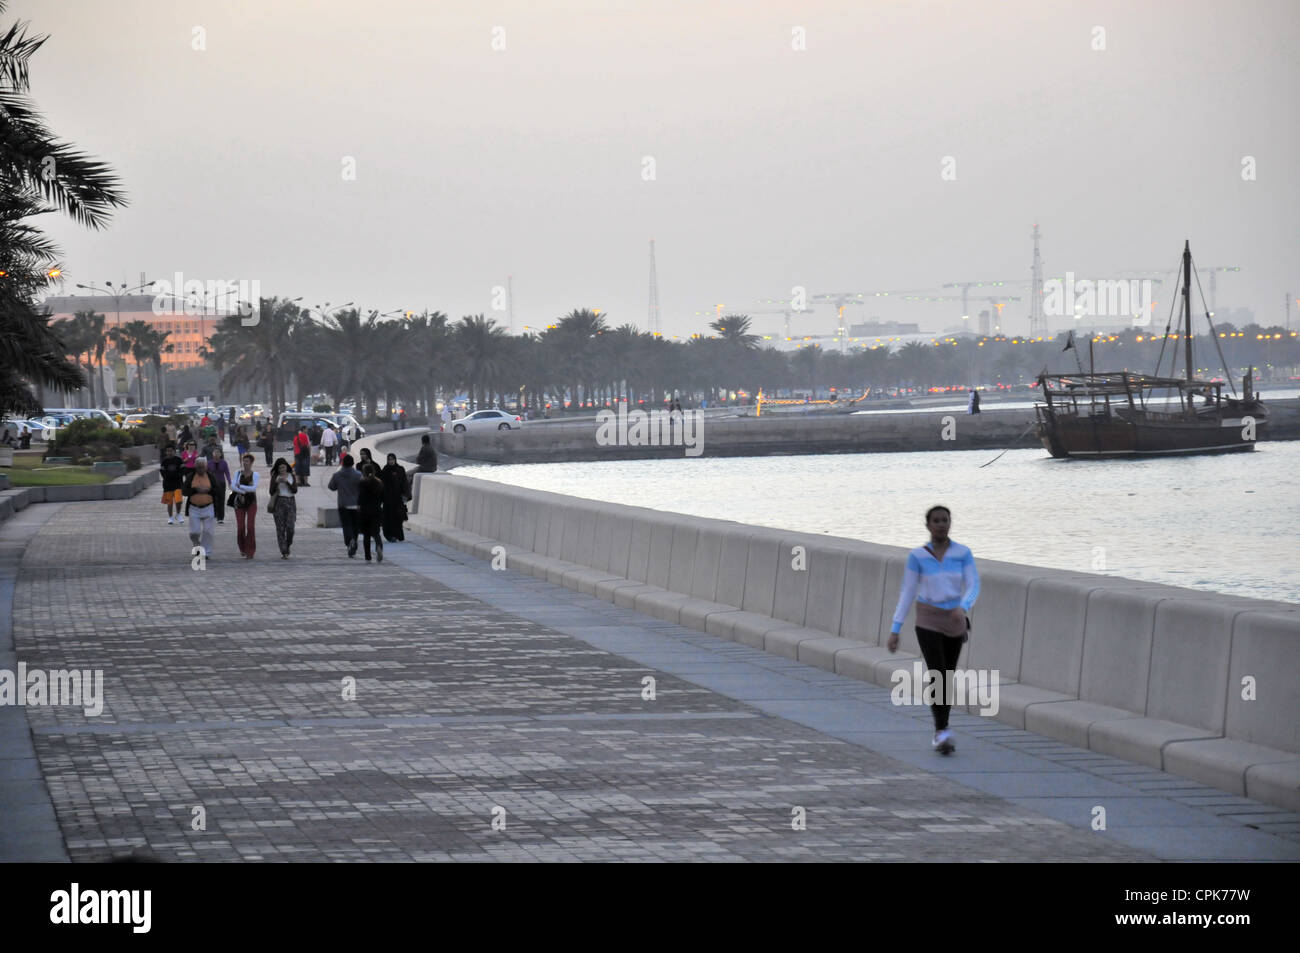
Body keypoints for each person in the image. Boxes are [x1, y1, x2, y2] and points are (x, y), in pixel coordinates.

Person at [887, 505, 980, 756]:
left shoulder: (962, 553)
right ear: (928, 525)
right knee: (937, 672)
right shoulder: (918, 557)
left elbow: (973, 584)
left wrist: (963, 606)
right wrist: (895, 629)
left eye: (945, 520)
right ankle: (941, 731)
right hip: (927, 619)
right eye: (936, 521)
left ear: (950, 524)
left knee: (947, 677)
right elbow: (907, 592)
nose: (941, 524)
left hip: (954, 619)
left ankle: (943, 728)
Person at [328, 454, 363, 557]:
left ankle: (349, 541)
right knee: (355, 525)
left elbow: (331, 487)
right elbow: (362, 488)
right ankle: (354, 541)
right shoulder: (358, 475)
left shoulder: (337, 475)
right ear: (353, 463)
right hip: (356, 504)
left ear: (343, 463)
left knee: (346, 525)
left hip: (343, 503)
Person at [183, 458, 218, 559]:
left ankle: (206, 552)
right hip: (194, 508)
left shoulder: (211, 477)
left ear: (206, 467)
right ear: (195, 467)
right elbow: (184, 491)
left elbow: (218, 490)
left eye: (202, 467)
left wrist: (209, 490)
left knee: (208, 531)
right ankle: (197, 544)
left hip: (208, 507)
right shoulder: (190, 477)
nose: (200, 469)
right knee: (194, 532)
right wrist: (195, 490)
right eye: (198, 467)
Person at [267, 457, 297, 559]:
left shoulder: (291, 476)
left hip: (290, 502)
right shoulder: (275, 476)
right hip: (279, 502)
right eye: (280, 468)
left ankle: (288, 544)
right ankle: (284, 551)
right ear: (277, 469)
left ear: (286, 467)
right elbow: (271, 491)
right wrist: (277, 482)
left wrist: (287, 482)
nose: (282, 470)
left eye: (283, 467)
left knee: (290, 527)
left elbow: (295, 490)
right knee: (280, 528)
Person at [231, 453, 260, 559]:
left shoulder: (255, 475)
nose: (245, 463)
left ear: (251, 463)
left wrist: (241, 486)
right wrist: (243, 490)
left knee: (250, 526)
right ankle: (242, 548)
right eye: (244, 461)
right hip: (239, 502)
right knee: (241, 527)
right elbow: (233, 486)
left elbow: (253, 488)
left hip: (252, 502)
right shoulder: (237, 473)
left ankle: (250, 551)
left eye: (247, 461)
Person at [358, 463, 385, 562]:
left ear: (363, 472)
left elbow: (360, 497)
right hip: (376, 510)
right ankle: (379, 547)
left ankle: (368, 557)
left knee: (367, 535)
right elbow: (383, 497)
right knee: (376, 532)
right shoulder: (379, 482)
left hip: (364, 511)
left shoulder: (361, 483)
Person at [380, 453, 408, 542]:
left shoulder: (400, 469)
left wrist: (405, 495)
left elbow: (404, 483)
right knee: (388, 518)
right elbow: (381, 484)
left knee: (398, 518)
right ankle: (390, 536)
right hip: (387, 499)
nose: (391, 461)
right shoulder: (385, 470)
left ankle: (398, 535)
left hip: (398, 499)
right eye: (389, 459)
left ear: (395, 460)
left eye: (392, 459)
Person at [159, 445, 185, 524]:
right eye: (168, 451)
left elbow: (183, 470)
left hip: (178, 484)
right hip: (168, 485)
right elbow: (162, 472)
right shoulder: (164, 461)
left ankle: (178, 514)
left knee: (178, 500)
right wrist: (169, 476)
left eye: (171, 451)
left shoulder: (179, 460)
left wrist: (176, 475)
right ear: (166, 452)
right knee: (169, 502)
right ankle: (170, 517)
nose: (169, 452)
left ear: (174, 451)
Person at [209, 447, 232, 525]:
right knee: (213, 500)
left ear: (221, 454)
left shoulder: (224, 463)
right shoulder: (209, 463)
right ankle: (214, 515)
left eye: (218, 453)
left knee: (221, 500)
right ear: (212, 454)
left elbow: (227, 473)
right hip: (212, 484)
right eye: (214, 452)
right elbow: (206, 473)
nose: (216, 454)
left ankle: (220, 517)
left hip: (221, 483)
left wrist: (229, 482)